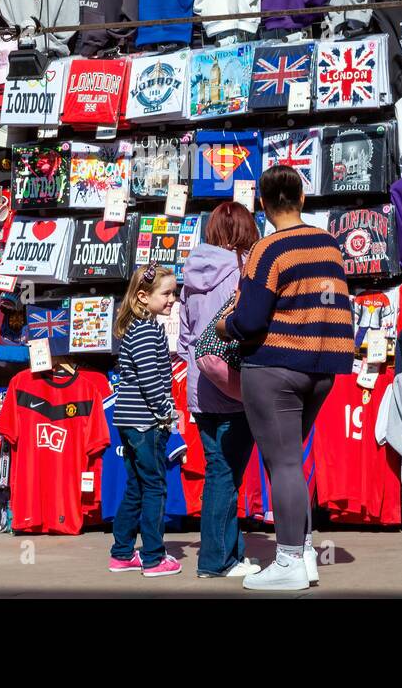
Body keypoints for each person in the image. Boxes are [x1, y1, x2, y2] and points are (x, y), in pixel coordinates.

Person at [216, 165, 353, 591]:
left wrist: (226, 327)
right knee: (291, 463)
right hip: (322, 369)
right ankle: (306, 552)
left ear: (262, 205)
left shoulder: (268, 249)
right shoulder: (329, 245)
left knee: (284, 464)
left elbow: (252, 318)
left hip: (274, 368)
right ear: (303, 200)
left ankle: (290, 559)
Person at [177, 201, 262, 579]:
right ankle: (215, 560)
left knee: (219, 469)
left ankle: (231, 552)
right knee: (225, 474)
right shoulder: (240, 271)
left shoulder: (191, 274)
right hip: (233, 383)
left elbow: (183, 341)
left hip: (201, 384)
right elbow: (244, 325)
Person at [108, 264, 183, 578]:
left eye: (174, 293)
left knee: (136, 488)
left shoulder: (136, 328)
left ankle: (122, 553)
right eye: (166, 293)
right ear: (142, 296)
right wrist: (168, 411)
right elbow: (151, 381)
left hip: (130, 421)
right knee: (154, 488)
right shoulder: (146, 330)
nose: (171, 300)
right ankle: (153, 557)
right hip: (145, 423)